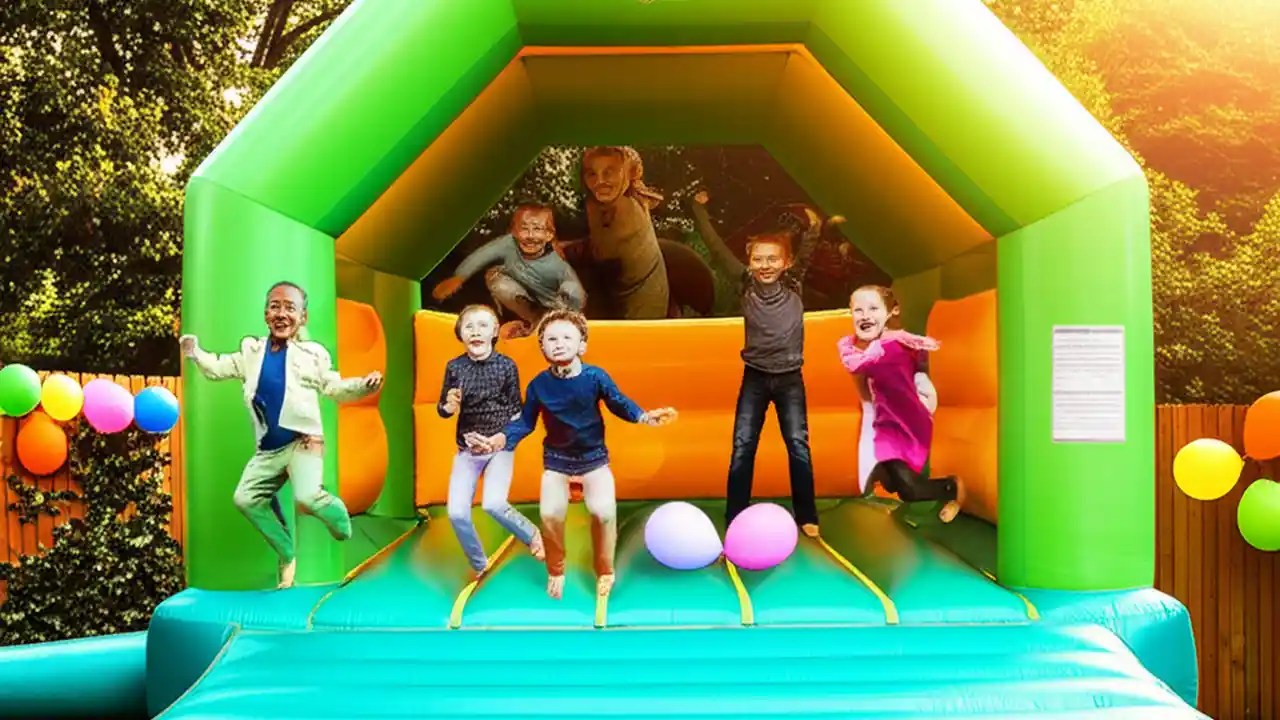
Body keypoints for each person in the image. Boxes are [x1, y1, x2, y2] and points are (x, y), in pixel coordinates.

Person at [179, 281, 383, 588]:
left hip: (304, 441)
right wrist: (196, 353)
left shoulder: (311, 354)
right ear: (265, 314)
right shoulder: (252, 351)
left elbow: (332, 386)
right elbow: (220, 367)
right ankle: (287, 551)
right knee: (245, 498)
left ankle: (338, 515)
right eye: (275, 306)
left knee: (306, 496)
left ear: (303, 318)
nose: (281, 314)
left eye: (290, 308)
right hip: (269, 450)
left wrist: (363, 385)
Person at [475, 310, 677, 599]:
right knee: (550, 514)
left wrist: (643, 416)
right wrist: (501, 438)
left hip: (593, 459)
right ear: (542, 346)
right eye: (551, 339)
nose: (559, 343)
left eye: (567, 337)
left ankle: (605, 570)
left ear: (582, 345)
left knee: (604, 513)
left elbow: (618, 402)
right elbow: (525, 423)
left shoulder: (595, 378)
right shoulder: (538, 386)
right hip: (557, 462)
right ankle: (556, 569)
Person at [689, 190, 821, 537]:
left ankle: (807, 515)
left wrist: (814, 225)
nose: (765, 265)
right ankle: (735, 517)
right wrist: (698, 211)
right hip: (756, 378)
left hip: (790, 378)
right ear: (750, 263)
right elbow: (716, 250)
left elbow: (807, 247)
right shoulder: (745, 284)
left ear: (786, 263)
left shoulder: (793, 282)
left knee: (798, 444)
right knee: (743, 445)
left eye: (772, 259)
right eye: (758, 259)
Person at [837, 285, 965, 523]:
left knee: (909, 490)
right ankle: (890, 477)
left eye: (873, 309)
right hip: (885, 422)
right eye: (858, 310)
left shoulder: (889, 348)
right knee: (887, 479)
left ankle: (952, 488)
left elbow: (858, 365)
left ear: (891, 312)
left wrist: (846, 346)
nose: (865, 316)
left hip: (905, 422)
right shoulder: (877, 345)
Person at [436, 304, 544, 578]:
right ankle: (479, 564)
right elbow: (443, 410)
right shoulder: (454, 367)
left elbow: (515, 410)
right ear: (460, 333)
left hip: (498, 447)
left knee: (493, 504)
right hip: (468, 450)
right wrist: (449, 405)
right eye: (468, 326)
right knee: (457, 513)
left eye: (483, 325)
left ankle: (532, 535)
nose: (475, 331)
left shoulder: (506, 366)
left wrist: (500, 439)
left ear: (495, 331)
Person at [432, 204, 586, 339]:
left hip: (557, 305)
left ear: (548, 235)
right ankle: (534, 319)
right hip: (529, 303)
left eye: (537, 229)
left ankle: (555, 322)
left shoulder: (556, 264)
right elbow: (482, 255)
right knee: (495, 276)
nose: (530, 236)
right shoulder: (508, 245)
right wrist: (459, 277)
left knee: (571, 291)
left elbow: (576, 290)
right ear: (514, 232)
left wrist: (570, 307)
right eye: (524, 229)